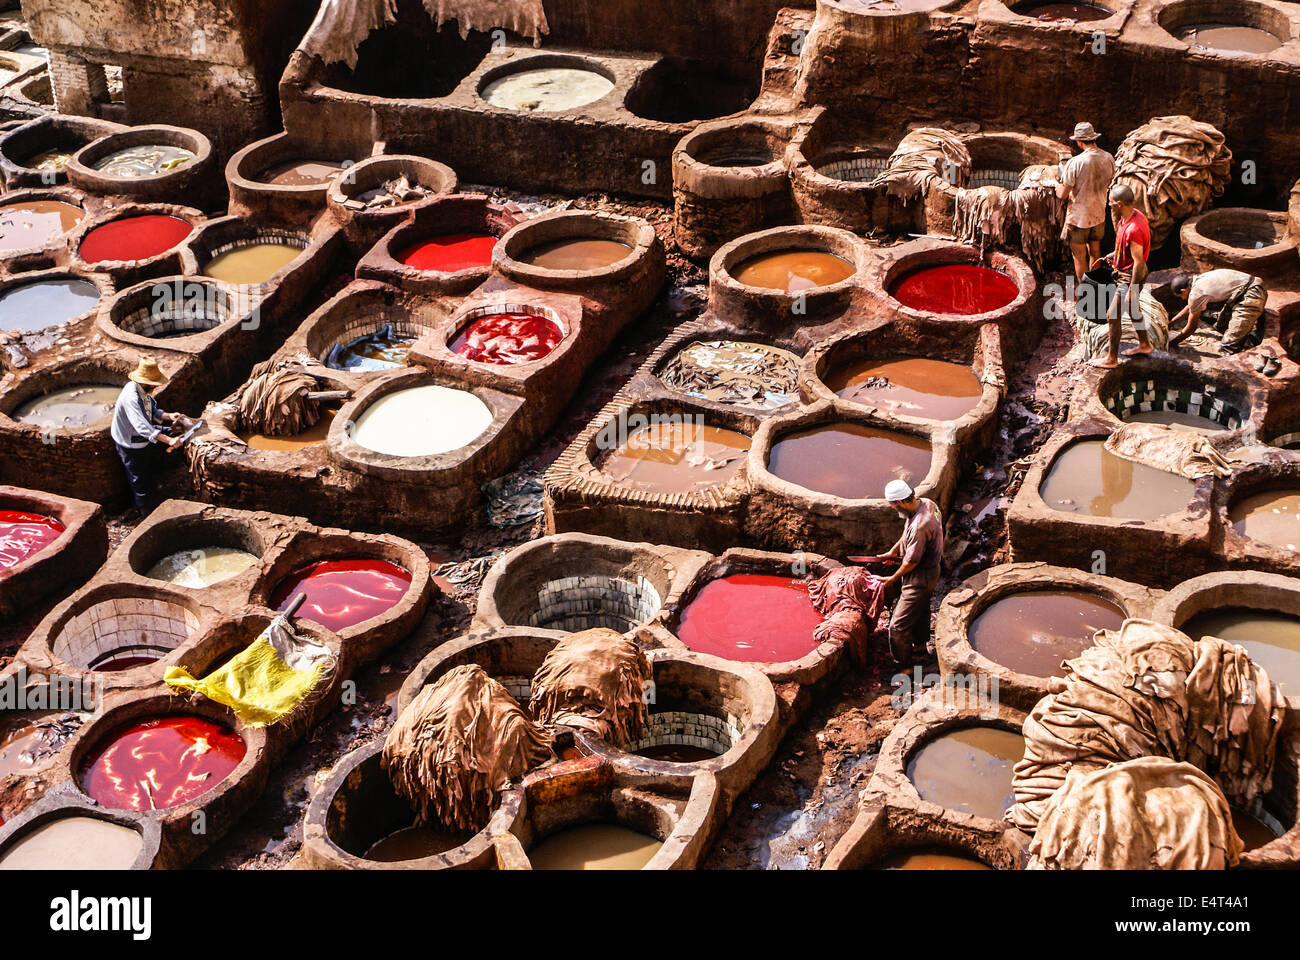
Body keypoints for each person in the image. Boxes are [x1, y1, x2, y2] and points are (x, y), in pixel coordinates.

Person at [879, 479, 944, 663]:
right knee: (921, 610)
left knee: (897, 627)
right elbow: (908, 529)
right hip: (931, 570)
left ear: (899, 502)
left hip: (920, 577)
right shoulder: (927, 504)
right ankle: (922, 649)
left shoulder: (920, 526)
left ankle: (905, 666)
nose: (893, 508)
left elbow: (911, 562)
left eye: (892, 505)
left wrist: (892, 579)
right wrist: (893, 550)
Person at [1090, 183, 1152, 368]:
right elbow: (1126, 248)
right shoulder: (1131, 217)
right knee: (1133, 310)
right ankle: (1145, 344)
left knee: (1112, 315)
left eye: (1110, 203)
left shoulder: (1134, 228)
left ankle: (1111, 359)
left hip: (1129, 276)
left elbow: (1139, 263)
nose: (1108, 205)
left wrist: (1132, 288)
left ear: (1118, 204)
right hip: (1126, 270)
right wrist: (1112, 256)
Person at [111, 357, 185, 513]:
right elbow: (142, 427)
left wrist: (168, 416)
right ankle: (147, 512)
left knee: (176, 433)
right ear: (145, 383)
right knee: (140, 480)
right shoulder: (132, 397)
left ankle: (157, 489)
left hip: (143, 436)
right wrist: (169, 440)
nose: (155, 388)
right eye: (154, 385)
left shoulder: (142, 390)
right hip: (130, 441)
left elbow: (152, 411)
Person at [1056, 122, 1115, 286]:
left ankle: (1085, 291)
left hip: (1079, 219)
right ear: (1093, 138)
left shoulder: (1075, 162)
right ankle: (1095, 287)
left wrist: (1057, 186)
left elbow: (1062, 194)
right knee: (1095, 252)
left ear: (1079, 142)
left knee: (1079, 256)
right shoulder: (1109, 158)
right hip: (1099, 216)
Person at [1168, 268, 1268, 355]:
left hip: (1251, 294)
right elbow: (1190, 307)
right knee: (1221, 326)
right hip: (1249, 286)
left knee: (1229, 345)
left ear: (1183, 291)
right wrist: (1171, 323)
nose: (1182, 299)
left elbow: (1191, 328)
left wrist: (1170, 344)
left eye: (1181, 296)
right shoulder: (1199, 279)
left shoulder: (1196, 293)